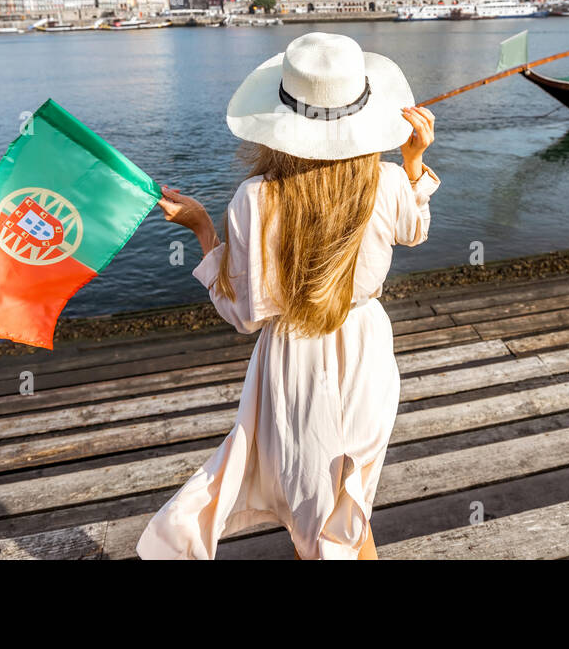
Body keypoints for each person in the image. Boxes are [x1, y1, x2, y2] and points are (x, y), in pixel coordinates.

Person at [137, 31, 438, 560]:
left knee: (319, 521)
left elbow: (245, 314)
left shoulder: (256, 199)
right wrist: (413, 163)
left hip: (296, 364)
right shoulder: (388, 181)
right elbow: (413, 230)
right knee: (346, 506)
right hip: (367, 353)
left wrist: (203, 230)